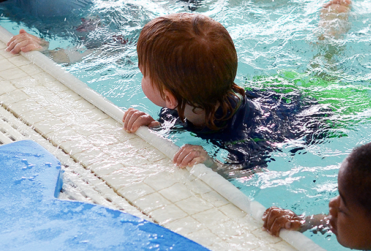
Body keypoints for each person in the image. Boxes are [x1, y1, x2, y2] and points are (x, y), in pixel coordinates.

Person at [121, 13, 337, 172]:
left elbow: (252, 171)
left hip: (307, 115)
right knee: (317, 74)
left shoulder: (244, 133)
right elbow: (178, 126)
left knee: (324, 77)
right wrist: (153, 128)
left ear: (168, 97)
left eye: (143, 73)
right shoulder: (179, 107)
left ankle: (331, 30)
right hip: (264, 98)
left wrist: (213, 165)